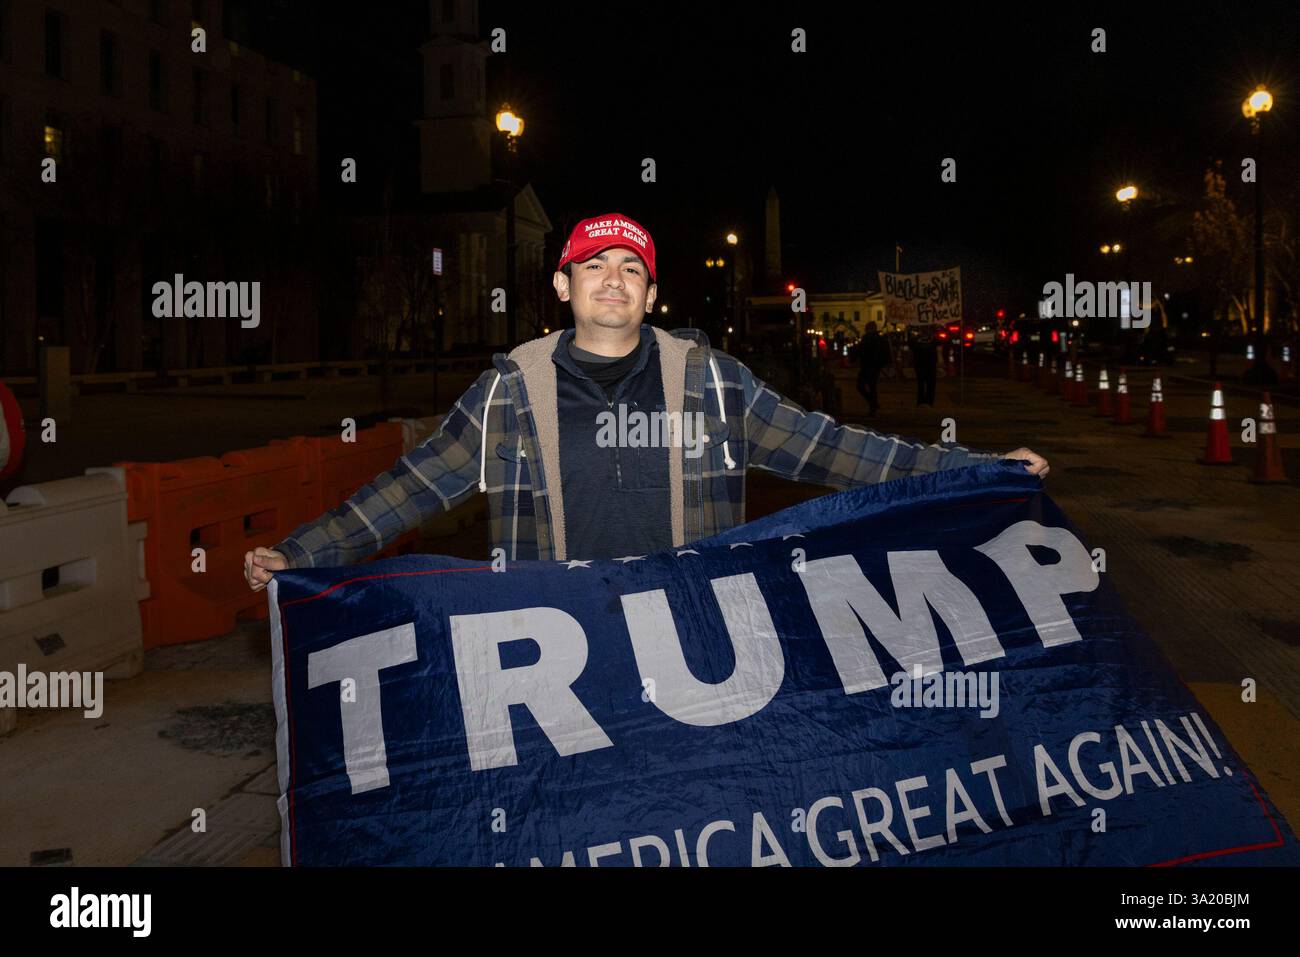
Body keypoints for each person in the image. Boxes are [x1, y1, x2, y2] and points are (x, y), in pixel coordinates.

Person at [244, 212, 1048, 589]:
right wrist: (305, 552)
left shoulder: (712, 380)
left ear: (652, 293)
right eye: (594, 266)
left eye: (631, 268)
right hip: (560, 633)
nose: (613, 279)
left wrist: (979, 470)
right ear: (562, 285)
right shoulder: (511, 390)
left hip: (694, 622)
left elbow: (842, 451)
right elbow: (413, 485)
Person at [855, 321, 892, 415]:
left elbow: (880, 352)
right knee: (868, 387)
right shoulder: (873, 338)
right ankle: (873, 404)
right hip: (869, 365)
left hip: (871, 365)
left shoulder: (875, 339)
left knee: (868, 386)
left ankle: (873, 406)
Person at [911, 325, 939, 407]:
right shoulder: (917, 340)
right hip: (921, 365)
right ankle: (922, 401)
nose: (925, 331)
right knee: (922, 385)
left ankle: (928, 401)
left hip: (929, 365)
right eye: (924, 329)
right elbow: (913, 348)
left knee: (929, 384)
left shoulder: (932, 339)